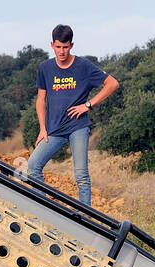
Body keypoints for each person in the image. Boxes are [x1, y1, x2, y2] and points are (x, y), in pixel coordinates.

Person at [27, 24, 119, 207]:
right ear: (52, 45)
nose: (62, 51)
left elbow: (112, 84)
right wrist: (42, 128)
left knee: (81, 176)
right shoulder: (45, 68)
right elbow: (41, 99)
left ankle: (85, 218)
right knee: (32, 166)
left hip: (78, 127)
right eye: (58, 47)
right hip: (54, 129)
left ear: (71, 45)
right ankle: (45, 210)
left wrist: (88, 105)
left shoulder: (83, 66)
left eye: (65, 47)